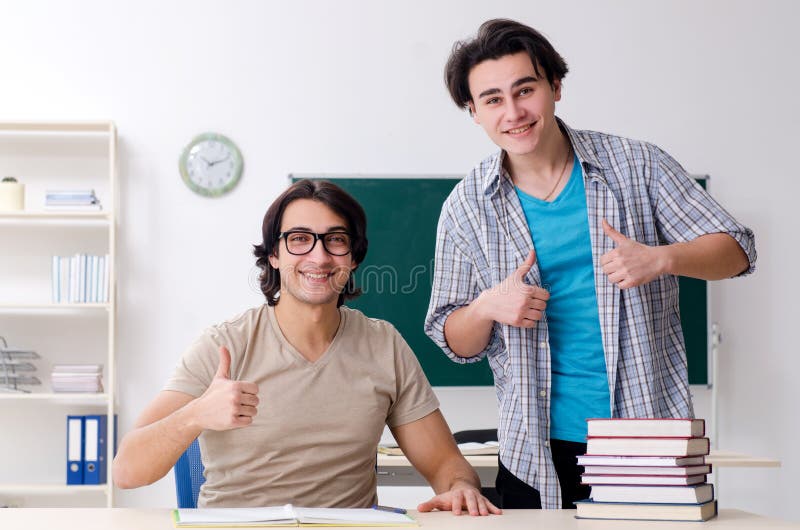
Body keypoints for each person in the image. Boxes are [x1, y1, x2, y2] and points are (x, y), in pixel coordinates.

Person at [424, 19, 756, 510]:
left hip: (646, 438)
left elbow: (738, 249)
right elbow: (453, 340)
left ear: (555, 87)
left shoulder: (637, 166)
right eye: (493, 99)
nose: (514, 112)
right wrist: (487, 307)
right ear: (474, 112)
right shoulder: (466, 206)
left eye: (526, 89)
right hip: (533, 448)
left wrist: (664, 257)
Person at [113, 179, 501, 516]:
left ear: (353, 257)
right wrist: (196, 414)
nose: (319, 256)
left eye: (335, 240)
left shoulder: (384, 345)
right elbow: (127, 471)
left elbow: (446, 465)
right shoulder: (224, 344)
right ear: (274, 255)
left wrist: (461, 488)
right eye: (299, 239)